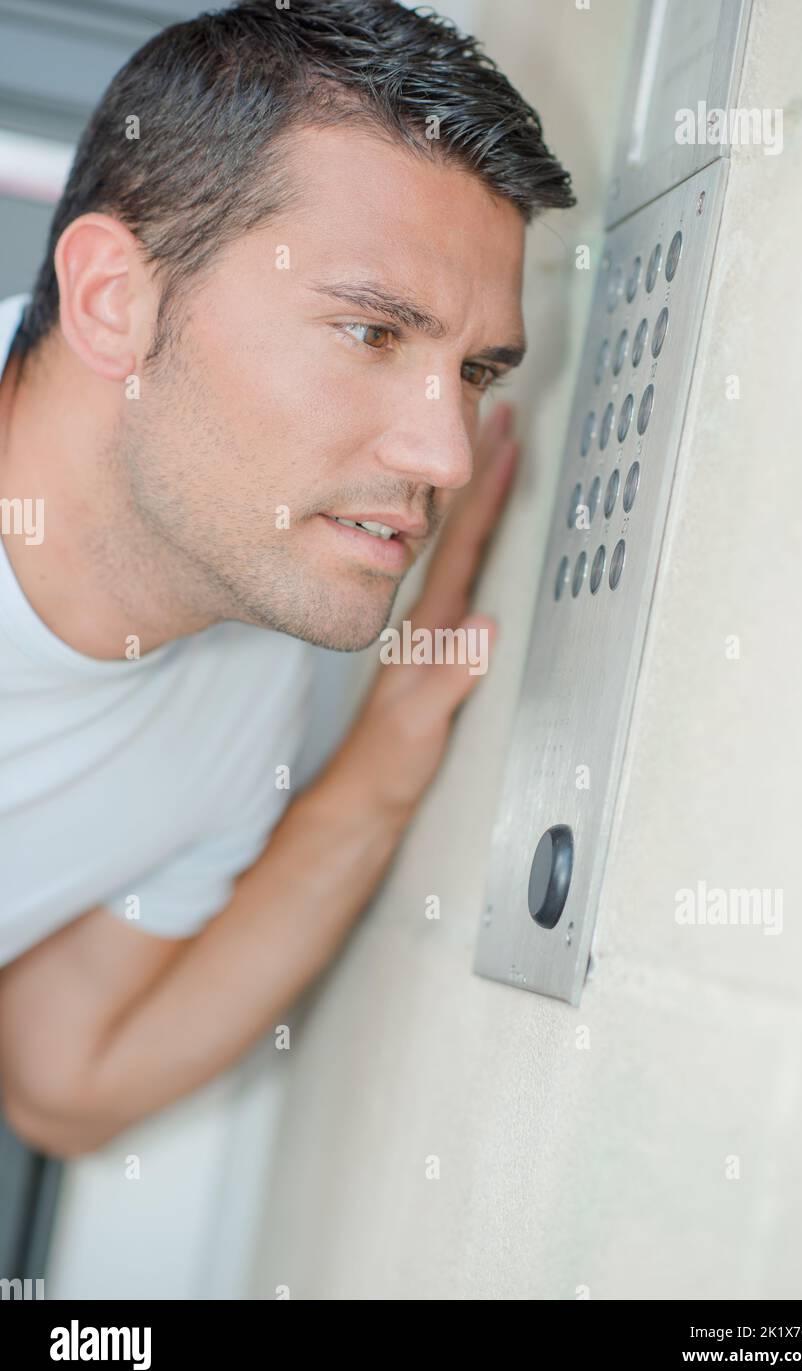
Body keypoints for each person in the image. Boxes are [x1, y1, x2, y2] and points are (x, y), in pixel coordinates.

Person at [0, 0, 574, 1158]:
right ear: (118, 299)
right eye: (371, 334)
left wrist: (386, 756)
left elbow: (67, 1072)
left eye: (473, 371)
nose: (446, 454)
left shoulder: (240, 654)